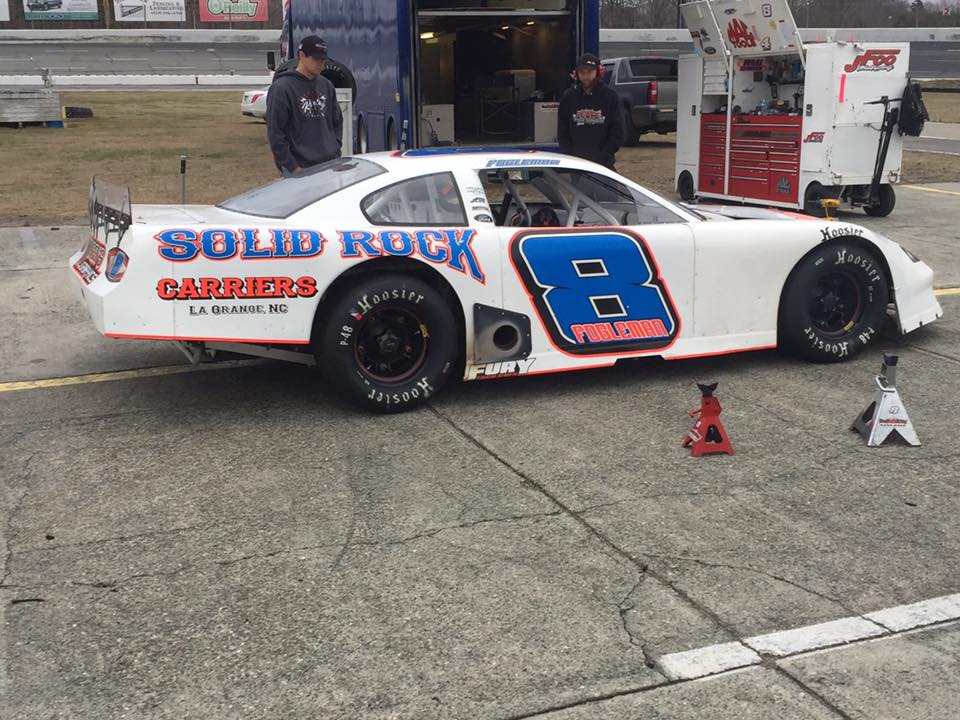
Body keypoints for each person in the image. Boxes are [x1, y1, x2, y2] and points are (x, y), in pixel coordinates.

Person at [266, 36, 344, 177]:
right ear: (301, 56)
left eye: (323, 60)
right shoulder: (281, 88)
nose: (321, 64)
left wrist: (335, 151)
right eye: (316, 59)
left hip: (329, 165)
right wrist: (292, 166)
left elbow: (337, 122)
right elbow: (275, 134)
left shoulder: (327, 86)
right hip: (299, 168)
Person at [557, 53, 625, 171]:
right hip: (576, 164)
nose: (586, 76)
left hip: (603, 165)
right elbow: (562, 130)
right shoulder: (568, 97)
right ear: (576, 74)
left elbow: (618, 132)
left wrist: (604, 154)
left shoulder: (610, 97)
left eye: (589, 72)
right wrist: (569, 153)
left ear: (598, 72)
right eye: (582, 73)